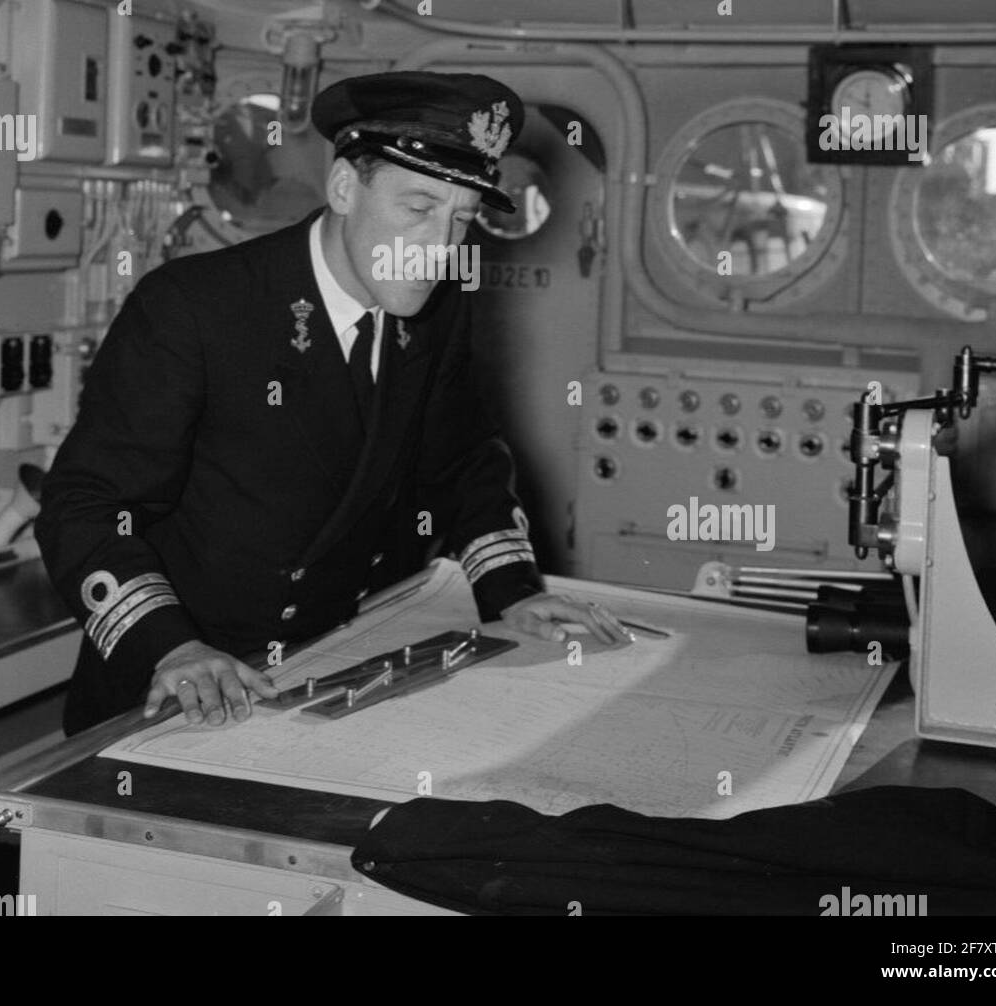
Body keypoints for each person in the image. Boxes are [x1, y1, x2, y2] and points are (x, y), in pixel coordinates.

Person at [35, 71, 629, 735]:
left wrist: (510, 589)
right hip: (190, 678)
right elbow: (86, 507)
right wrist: (171, 645)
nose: (440, 248)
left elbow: (461, 460)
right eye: (417, 208)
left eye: (460, 218)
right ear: (345, 186)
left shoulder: (436, 309)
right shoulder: (193, 308)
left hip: (339, 661)